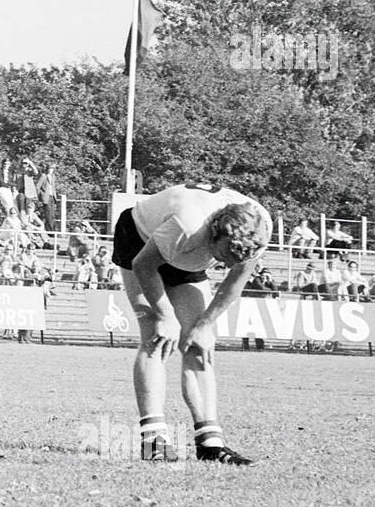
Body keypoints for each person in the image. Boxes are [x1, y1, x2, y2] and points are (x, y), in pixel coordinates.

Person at [109, 183, 271, 465]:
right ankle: (154, 440)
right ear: (215, 233)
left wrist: (203, 325)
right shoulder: (189, 224)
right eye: (223, 256)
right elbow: (144, 265)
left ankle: (210, 443)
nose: (223, 265)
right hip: (140, 239)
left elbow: (235, 283)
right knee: (157, 338)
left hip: (188, 253)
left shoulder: (260, 227)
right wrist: (164, 315)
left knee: (199, 345)